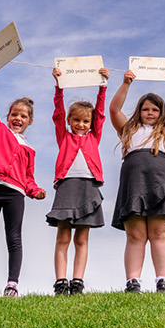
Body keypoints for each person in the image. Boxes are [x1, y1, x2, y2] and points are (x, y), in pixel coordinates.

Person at [0, 54, 46, 299]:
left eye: (23, 116)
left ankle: (12, 285)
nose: (18, 118)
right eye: (14, 114)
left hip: (15, 194)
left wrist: (35, 191)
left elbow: (29, 177)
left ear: (30, 122)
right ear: (7, 116)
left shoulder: (29, 148)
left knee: (14, 238)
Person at [109, 65, 165, 293]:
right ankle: (132, 282)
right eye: (145, 109)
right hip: (133, 183)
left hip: (161, 182)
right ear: (139, 111)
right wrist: (126, 83)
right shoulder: (128, 130)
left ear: (161, 113)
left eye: (155, 109)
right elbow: (114, 110)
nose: (150, 113)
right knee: (135, 234)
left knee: (160, 233)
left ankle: (163, 280)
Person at [47, 65, 109, 296]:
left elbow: (101, 113)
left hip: (88, 187)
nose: (81, 125)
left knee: (82, 237)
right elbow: (58, 113)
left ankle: (77, 281)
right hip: (67, 185)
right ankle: (61, 282)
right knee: (63, 235)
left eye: (85, 121)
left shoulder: (94, 136)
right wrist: (58, 86)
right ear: (70, 121)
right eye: (76, 121)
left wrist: (102, 86)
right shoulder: (64, 136)